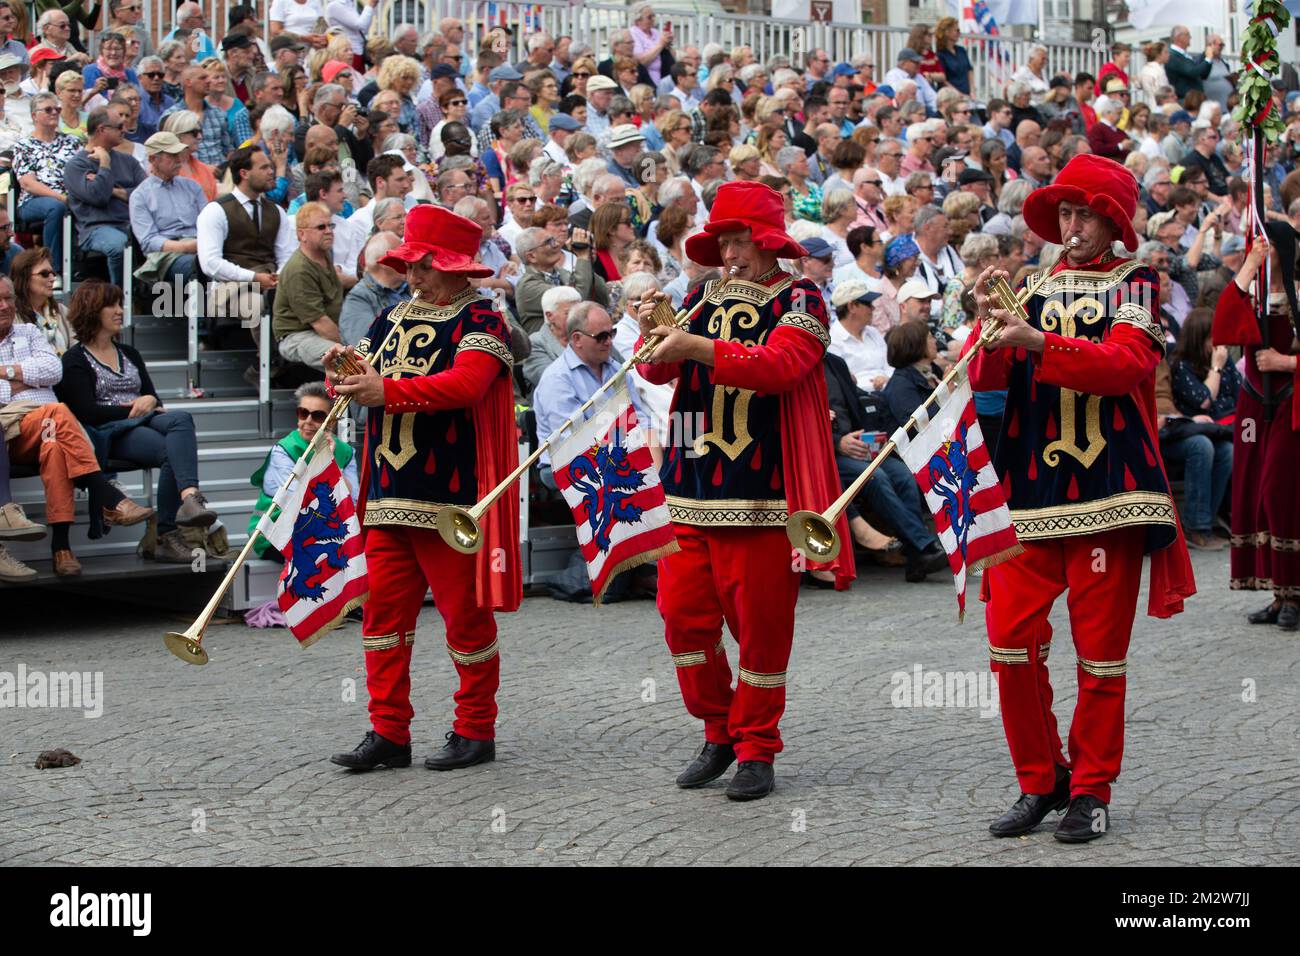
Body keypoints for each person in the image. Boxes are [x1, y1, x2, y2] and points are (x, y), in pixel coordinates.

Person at [967, 153, 1194, 843]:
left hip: (1110, 495)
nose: (1071, 226)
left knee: (1099, 658)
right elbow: (989, 395)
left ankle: (1092, 789)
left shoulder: (1140, 285)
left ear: (1112, 222)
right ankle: (1041, 779)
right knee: (1009, 642)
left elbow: (1127, 364)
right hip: (1029, 494)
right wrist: (987, 334)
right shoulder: (1030, 286)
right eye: (1064, 213)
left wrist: (1036, 338)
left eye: (1085, 214)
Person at [633, 181, 853, 801]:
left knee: (760, 628)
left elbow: (782, 367)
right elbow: (655, 369)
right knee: (682, 620)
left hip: (762, 492)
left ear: (767, 243)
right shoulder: (703, 295)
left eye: (741, 241)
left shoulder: (802, 296)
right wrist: (653, 327)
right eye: (724, 241)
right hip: (690, 484)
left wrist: (692, 343)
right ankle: (718, 728)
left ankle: (757, 746)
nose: (730, 253)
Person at [325, 203, 521, 773]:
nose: (412, 277)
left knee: (464, 618)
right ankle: (389, 730)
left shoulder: (482, 321)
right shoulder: (392, 316)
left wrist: (385, 391)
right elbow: (361, 370)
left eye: (424, 267)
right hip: (388, 492)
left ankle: (475, 728)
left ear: (457, 268)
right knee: (383, 621)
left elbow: (465, 385)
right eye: (410, 266)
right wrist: (342, 370)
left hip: (450, 497)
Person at [2, 275, 155, 576]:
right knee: (58, 412)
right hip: (9, 428)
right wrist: (20, 381)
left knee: (56, 446)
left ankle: (62, 549)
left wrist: (6, 372)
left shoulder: (28, 331)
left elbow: (52, 370)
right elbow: (33, 379)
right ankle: (107, 496)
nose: (5, 305)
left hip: (45, 426)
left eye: (9, 298)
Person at [58, 281, 217, 563]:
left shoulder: (129, 353)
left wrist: (149, 403)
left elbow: (152, 396)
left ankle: (189, 498)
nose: (120, 311)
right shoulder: (74, 359)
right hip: (110, 432)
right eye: (113, 305)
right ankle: (167, 533)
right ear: (92, 310)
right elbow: (87, 413)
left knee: (181, 418)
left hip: (144, 421)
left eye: (121, 304)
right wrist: (137, 407)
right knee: (171, 450)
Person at [1211, 226, 1300, 630]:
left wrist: (1287, 363)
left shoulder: (1298, 292)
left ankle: (1293, 590)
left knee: (1280, 491)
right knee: (1255, 493)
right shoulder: (1254, 293)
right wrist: (1249, 267)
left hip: (1292, 401)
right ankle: (1278, 592)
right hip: (1253, 401)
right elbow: (1224, 327)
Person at [248, 380, 358, 563]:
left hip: (323, 529)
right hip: (276, 534)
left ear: (330, 421)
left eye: (317, 416)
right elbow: (300, 504)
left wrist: (331, 464)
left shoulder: (345, 452)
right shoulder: (283, 450)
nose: (307, 421)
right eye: (303, 413)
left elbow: (351, 500)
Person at [197, 146, 293, 329]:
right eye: (264, 168)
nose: (271, 171)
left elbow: (287, 255)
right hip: (228, 290)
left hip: (272, 284)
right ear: (244, 173)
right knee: (259, 305)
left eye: (270, 167)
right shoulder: (215, 211)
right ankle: (268, 357)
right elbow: (210, 263)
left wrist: (278, 277)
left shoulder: (277, 211)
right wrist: (254, 277)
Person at [64, 107, 146, 289]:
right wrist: (105, 164)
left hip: (131, 224)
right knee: (118, 246)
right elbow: (99, 196)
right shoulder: (76, 165)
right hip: (96, 228)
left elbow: (146, 195)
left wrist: (115, 192)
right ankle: (121, 299)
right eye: (119, 126)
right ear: (102, 129)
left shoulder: (129, 161)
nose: (124, 130)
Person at [12, 91, 81, 279]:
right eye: (48, 109)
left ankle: (85, 266)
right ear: (34, 115)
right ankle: (53, 269)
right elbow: (28, 183)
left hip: (72, 197)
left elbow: (84, 170)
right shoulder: (24, 145)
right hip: (34, 201)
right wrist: (61, 197)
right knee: (56, 207)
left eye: (57, 109)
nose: (54, 113)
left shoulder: (72, 142)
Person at [273, 201, 342, 371]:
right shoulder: (299, 269)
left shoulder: (323, 255)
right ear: (301, 234)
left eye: (330, 225)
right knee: (345, 358)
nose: (328, 231)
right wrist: (351, 345)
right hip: (298, 336)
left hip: (322, 330)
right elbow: (320, 322)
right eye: (321, 227)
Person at [514, 225, 609, 334]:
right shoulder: (528, 286)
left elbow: (603, 298)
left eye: (554, 240)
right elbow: (576, 302)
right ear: (531, 256)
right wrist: (582, 259)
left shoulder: (562, 273)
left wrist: (588, 262)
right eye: (548, 242)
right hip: (549, 348)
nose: (557, 244)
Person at [339, 232, 406, 347]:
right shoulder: (358, 299)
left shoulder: (413, 285)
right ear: (384, 262)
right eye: (401, 255)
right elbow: (366, 348)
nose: (407, 260)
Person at [12, 248, 72, 354]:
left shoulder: (61, 311)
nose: (52, 278)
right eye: (44, 274)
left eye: (53, 273)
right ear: (24, 278)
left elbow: (76, 348)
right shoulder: (11, 316)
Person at [1165, 25, 1211, 101]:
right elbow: (1192, 72)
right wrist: (1208, 59)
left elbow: (1202, 74)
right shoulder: (1173, 56)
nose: (1190, 37)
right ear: (1179, 37)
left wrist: (1206, 57)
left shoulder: (1183, 55)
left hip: (1194, 99)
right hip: (1186, 101)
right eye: (1187, 34)